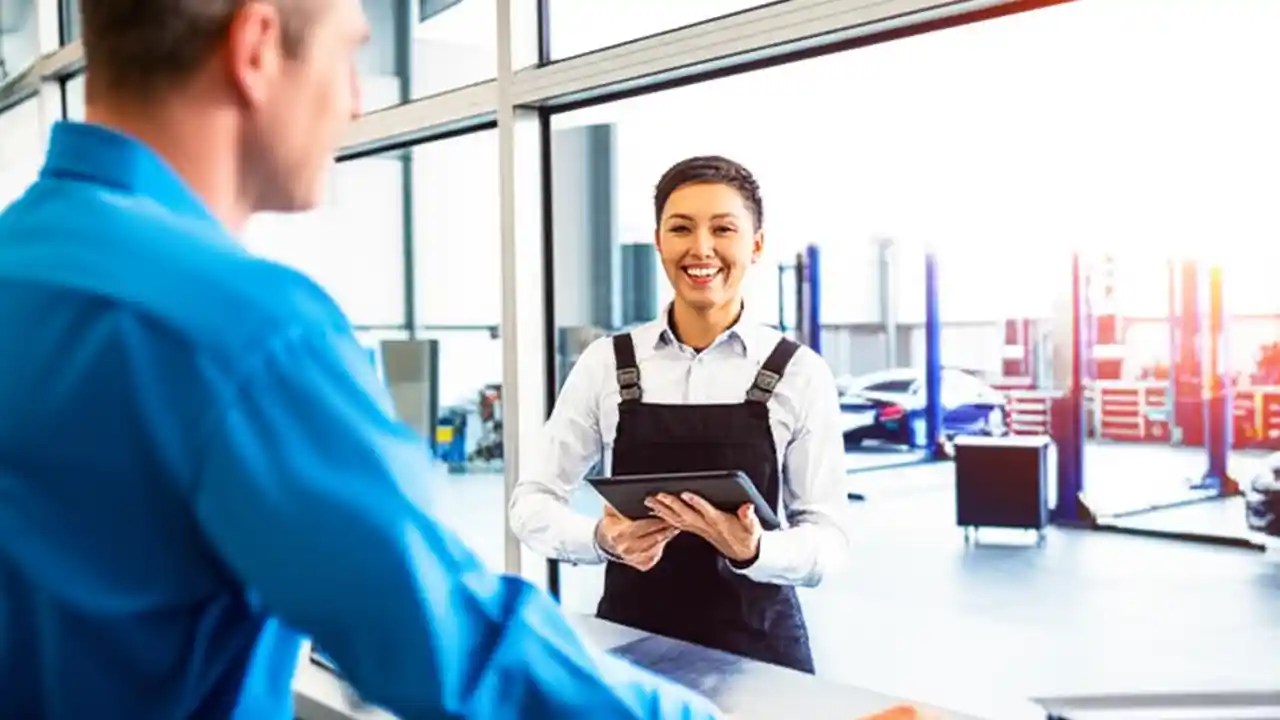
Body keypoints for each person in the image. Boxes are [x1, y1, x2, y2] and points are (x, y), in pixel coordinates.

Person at [0, 1, 723, 719]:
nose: (352, 103)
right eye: (346, 58)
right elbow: (443, 645)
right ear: (255, 47)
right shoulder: (247, 330)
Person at [510, 155, 853, 674]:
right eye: (681, 228)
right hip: (630, 652)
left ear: (756, 244)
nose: (701, 248)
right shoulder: (608, 364)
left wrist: (757, 550)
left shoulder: (798, 373)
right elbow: (530, 503)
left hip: (761, 658)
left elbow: (829, 539)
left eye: (723, 229)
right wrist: (601, 540)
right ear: (659, 242)